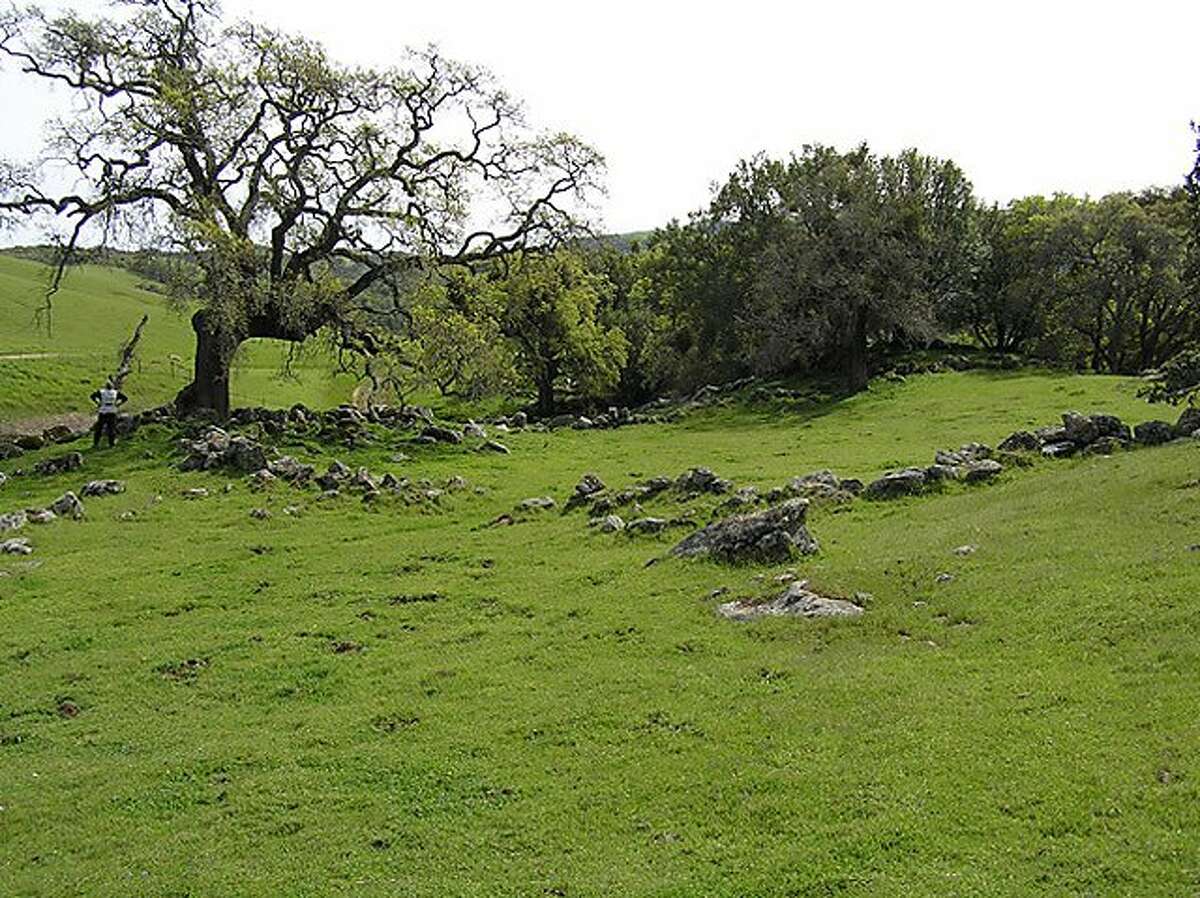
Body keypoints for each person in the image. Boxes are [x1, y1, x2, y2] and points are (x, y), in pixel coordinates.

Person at [90, 378, 128, 448]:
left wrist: (97, 403)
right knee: (111, 428)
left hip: (103, 410)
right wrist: (118, 404)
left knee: (99, 428)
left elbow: (92, 396)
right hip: (112, 411)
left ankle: (96, 443)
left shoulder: (101, 392)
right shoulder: (115, 392)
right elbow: (125, 398)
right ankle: (111, 443)